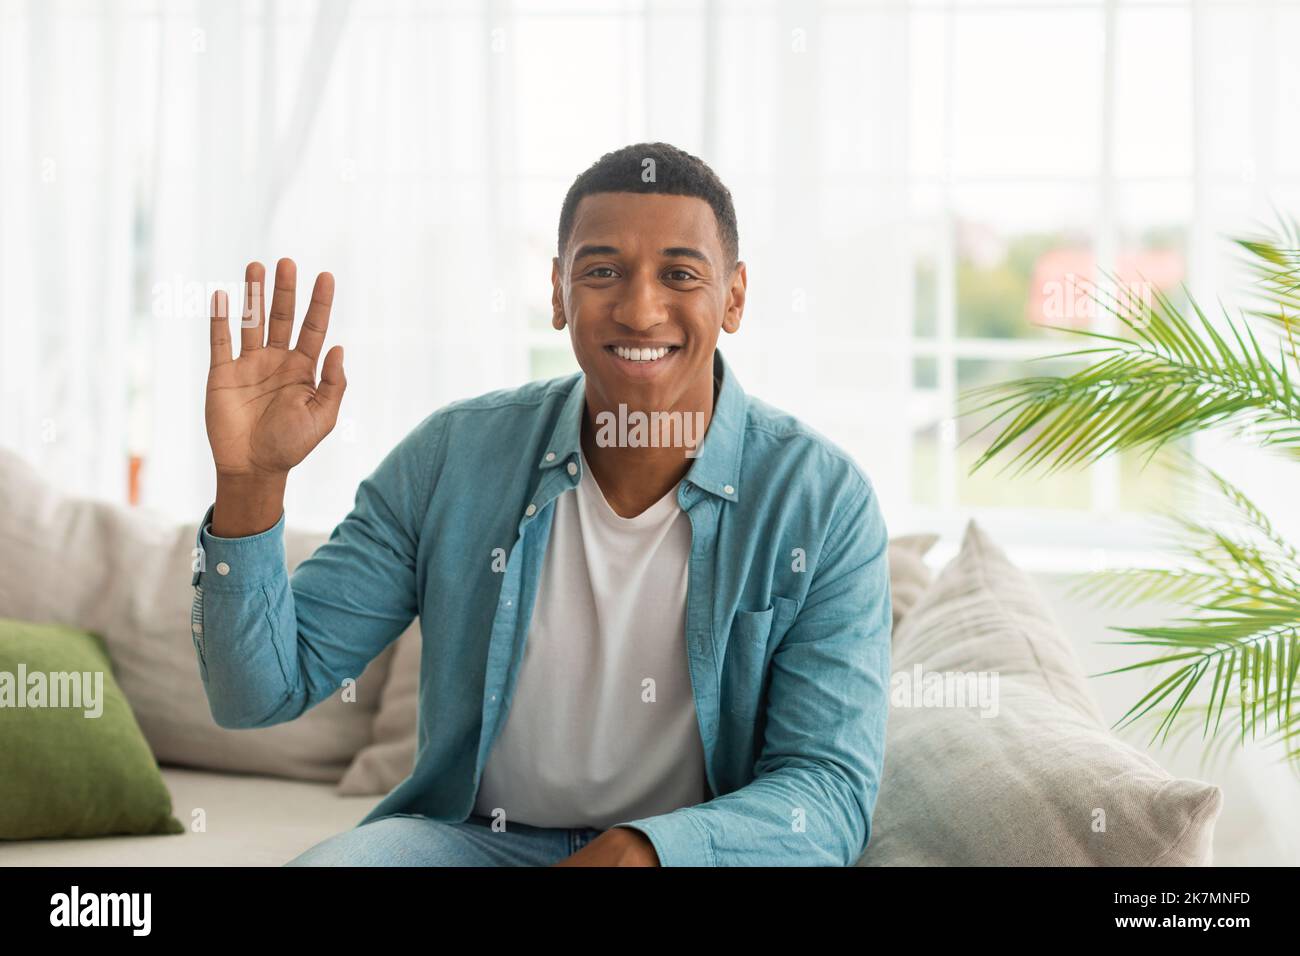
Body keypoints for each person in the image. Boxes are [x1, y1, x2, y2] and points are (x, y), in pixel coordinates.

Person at [193, 142, 892, 867]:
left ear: (735, 296)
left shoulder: (823, 503)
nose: (640, 308)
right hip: (469, 843)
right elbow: (257, 695)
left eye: (679, 274)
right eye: (602, 271)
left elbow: (828, 793)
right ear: (558, 293)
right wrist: (250, 482)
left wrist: (642, 852)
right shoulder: (452, 457)